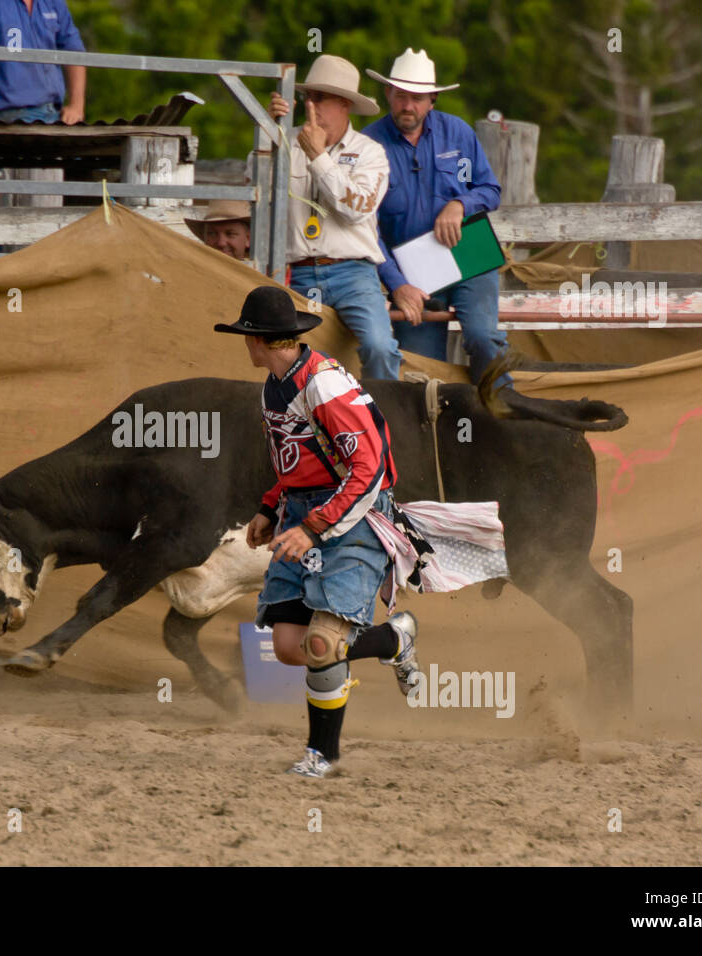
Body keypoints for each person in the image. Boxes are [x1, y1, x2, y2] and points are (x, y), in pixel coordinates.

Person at [216, 286, 419, 779]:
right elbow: (296, 459)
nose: (246, 344)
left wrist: (313, 525)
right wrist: (271, 506)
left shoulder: (323, 386)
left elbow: (368, 468)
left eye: (247, 336)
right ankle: (394, 639)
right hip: (302, 513)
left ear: (259, 340)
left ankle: (322, 755)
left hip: (351, 516)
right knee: (290, 645)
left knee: (323, 644)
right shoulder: (275, 385)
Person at [360, 48, 510, 386]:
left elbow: (490, 190)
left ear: (432, 100)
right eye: (401, 96)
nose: (408, 105)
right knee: (420, 371)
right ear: (388, 94)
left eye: (417, 97)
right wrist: (396, 284)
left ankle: (503, 412)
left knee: (485, 338)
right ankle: (438, 434)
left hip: (469, 254)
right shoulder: (367, 144)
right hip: (411, 273)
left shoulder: (458, 133)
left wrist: (460, 205)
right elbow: (364, 227)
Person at [266, 55, 403, 382]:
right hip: (296, 273)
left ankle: (382, 425)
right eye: (307, 96)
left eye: (319, 97)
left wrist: (317, 156)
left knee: (380, 347)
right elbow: (257, 191)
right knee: (286, 358)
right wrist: (268, 131)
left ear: (344, 104)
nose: (309, 104)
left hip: (354, 273)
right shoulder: (284, 140)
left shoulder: (370, 152)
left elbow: (356, 208)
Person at [0, 0, 86, 124]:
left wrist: (77, 106)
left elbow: (73, 49)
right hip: (8, 115)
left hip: (54, 113)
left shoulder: (53, 2)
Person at [184, 200, 252, 260]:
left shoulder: (257, 273)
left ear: (248, 239)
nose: (221, 243)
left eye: (230, 234)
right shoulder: (190, 271)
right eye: (212, 234)